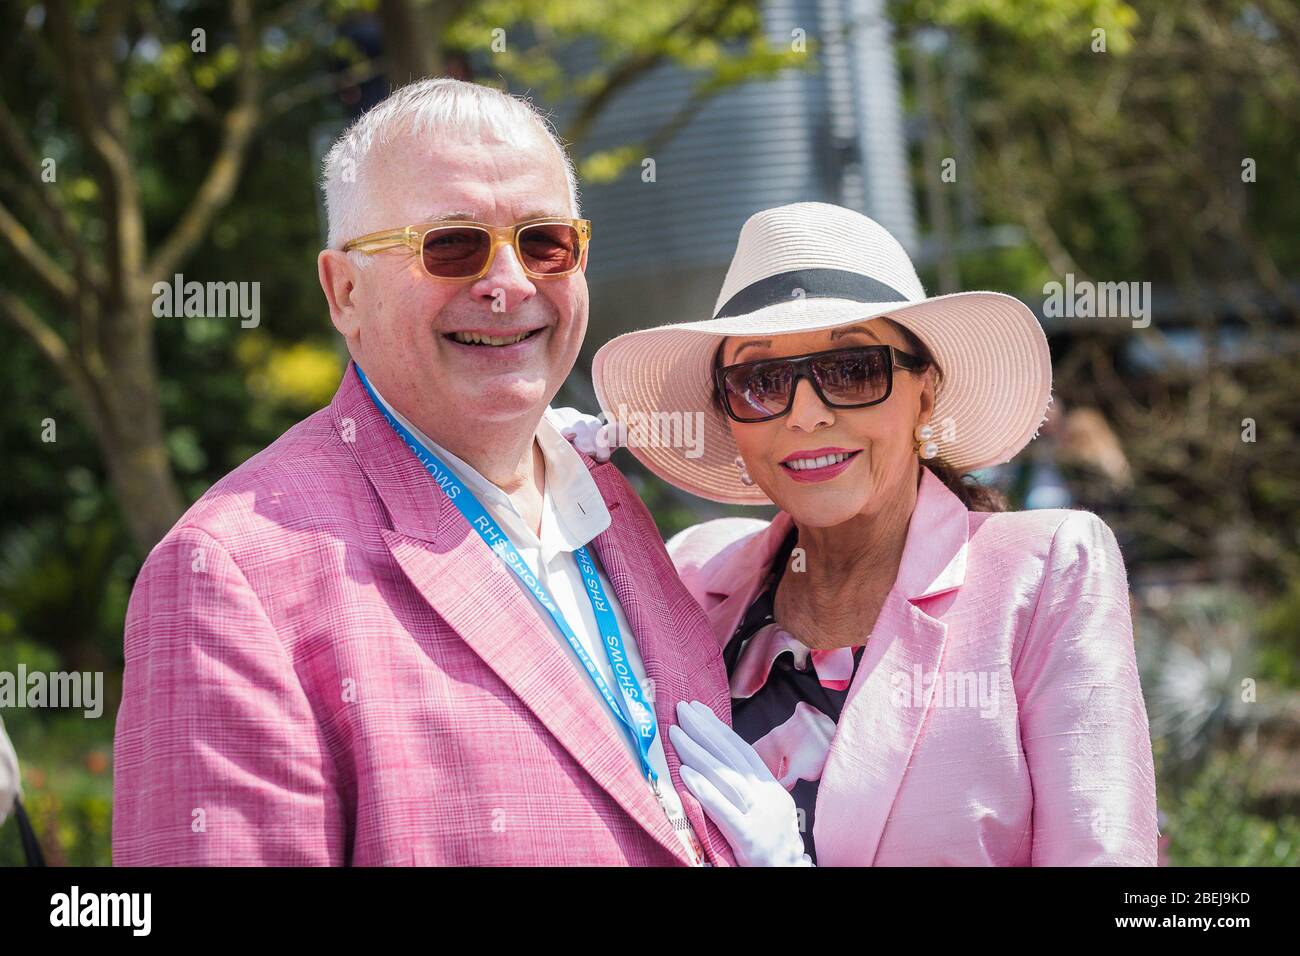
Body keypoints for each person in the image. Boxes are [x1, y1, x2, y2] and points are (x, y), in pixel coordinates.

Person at [111, 78, 738, 866]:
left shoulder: (611, 501)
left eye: (544, 241)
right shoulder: (230, 573)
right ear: (344, 290)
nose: (508, 282)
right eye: (452, 244)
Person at [579, 202, 1160, 865]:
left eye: (852, 368)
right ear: (729, 413)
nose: (805, 415)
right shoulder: (691, 571)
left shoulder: (1045, 569)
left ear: (925, 390)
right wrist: (539, 483)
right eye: (761, 380)